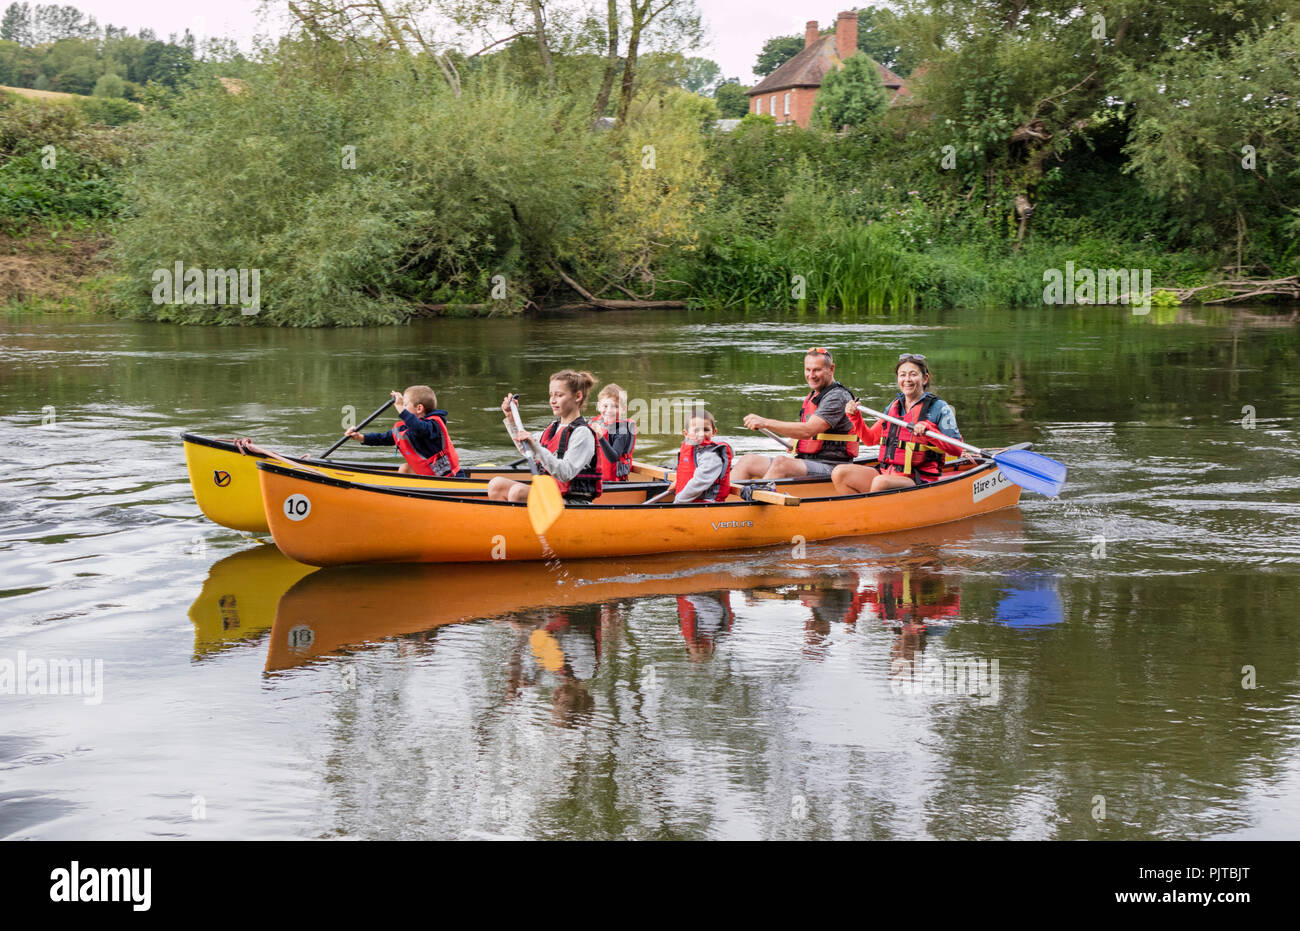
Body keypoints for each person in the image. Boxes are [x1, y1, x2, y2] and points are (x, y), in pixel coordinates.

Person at [831, 354, 965, 494]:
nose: (907, 379)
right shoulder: (894, 406)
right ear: (898, 379)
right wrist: (855, 417)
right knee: (840, 473)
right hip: (887, 472)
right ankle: (860, 512)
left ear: (925, 379)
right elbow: (870, 440)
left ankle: (870, 513)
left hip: (919, 478)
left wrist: (929, 429)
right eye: (902, 375)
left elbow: (957, 449)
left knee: (880, 482)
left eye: (913, 374)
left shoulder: (939, 408)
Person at [731, 347, 859, 483]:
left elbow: (808, 430)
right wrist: (797, 441)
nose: (811, 375)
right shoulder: (816, 394)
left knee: (782, 463)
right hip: (807, 461)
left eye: (817, 370)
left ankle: (753, 501)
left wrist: (765, 422)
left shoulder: (837, 397)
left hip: (832, 467)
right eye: (808, 370)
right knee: (748, 461)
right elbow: (812, 432)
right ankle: (719, 501)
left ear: (831, 369)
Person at [487, 370, 603, 505]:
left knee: (517, 492)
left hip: (574, 501)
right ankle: (507, 524)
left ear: (577, 396)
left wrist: (535, 445)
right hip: (552, 495)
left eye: (559, 395)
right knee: (496, 484)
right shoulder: (554, 427)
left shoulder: (583, 433)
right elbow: (526, 449)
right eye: (551, 395)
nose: (553, 400)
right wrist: (511, 419)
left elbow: (565, 473)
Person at [344, 385, 464, 476]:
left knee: (405, 468)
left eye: (405, 405)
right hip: (431, 478)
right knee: (405, 468)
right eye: (403, 405)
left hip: (451, 479)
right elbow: (384, 438)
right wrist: (360, 437)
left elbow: (420, 429)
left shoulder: (433, 425)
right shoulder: (406, 428)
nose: (402, 409)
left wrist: (400, 407)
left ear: (419, 408)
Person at [671, 408, 733, 503]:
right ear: (686, 434)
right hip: (690, 502)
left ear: (714, 432)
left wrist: (678, 501)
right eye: (696, 430)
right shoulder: (693, 448)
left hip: (705, 506)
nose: (701, 434)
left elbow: (700, 482)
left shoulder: (711, 456)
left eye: (706, 430)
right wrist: (678, 482)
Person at [592, 383, 637, 482]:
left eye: (615, 406)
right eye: (605, 406)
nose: (609, 410)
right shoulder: (596, 424)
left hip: (614, 482)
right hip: (596, 478)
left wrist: (600, 437)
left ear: (623, 409)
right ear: (599, 406)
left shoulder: (622, 431)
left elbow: (613, 458)